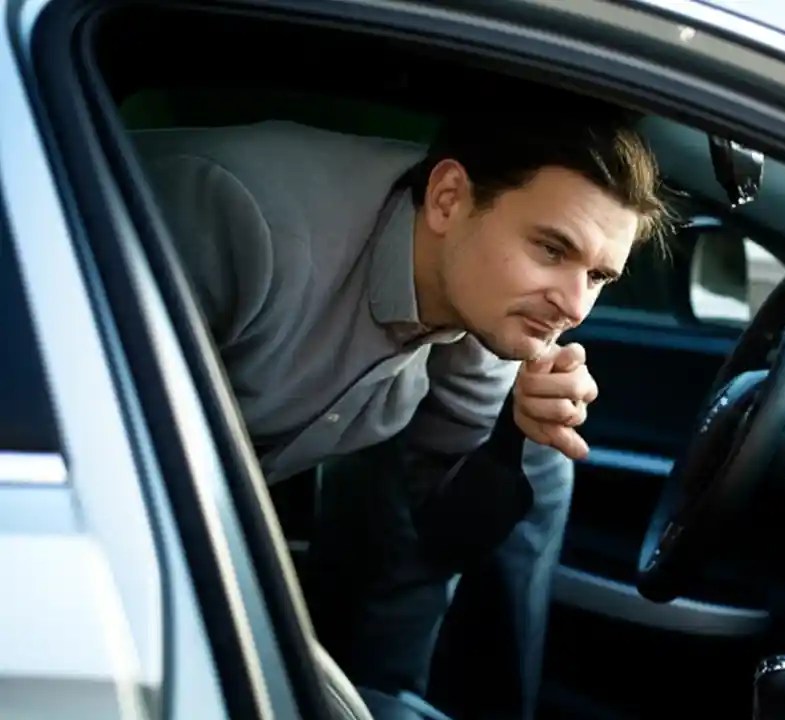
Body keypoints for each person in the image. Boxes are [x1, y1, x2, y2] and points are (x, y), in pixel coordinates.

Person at [130, 90, 669, 719]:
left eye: (599, 277)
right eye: (552, 250)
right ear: (447, 199)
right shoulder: (239, 218)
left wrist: (513, 436)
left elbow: (441, 533)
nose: (575, 307)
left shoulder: (483, 321)